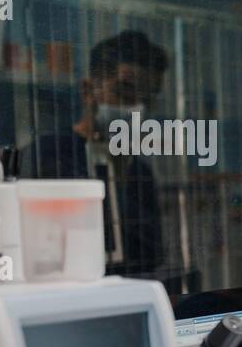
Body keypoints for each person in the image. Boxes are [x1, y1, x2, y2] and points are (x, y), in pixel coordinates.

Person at [30, 29, 166, 279]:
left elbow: (149, 260)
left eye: (148, 98)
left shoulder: (140, 173)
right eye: (125, 90)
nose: (136, 107)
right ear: (88, 91)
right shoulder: (46, 157)